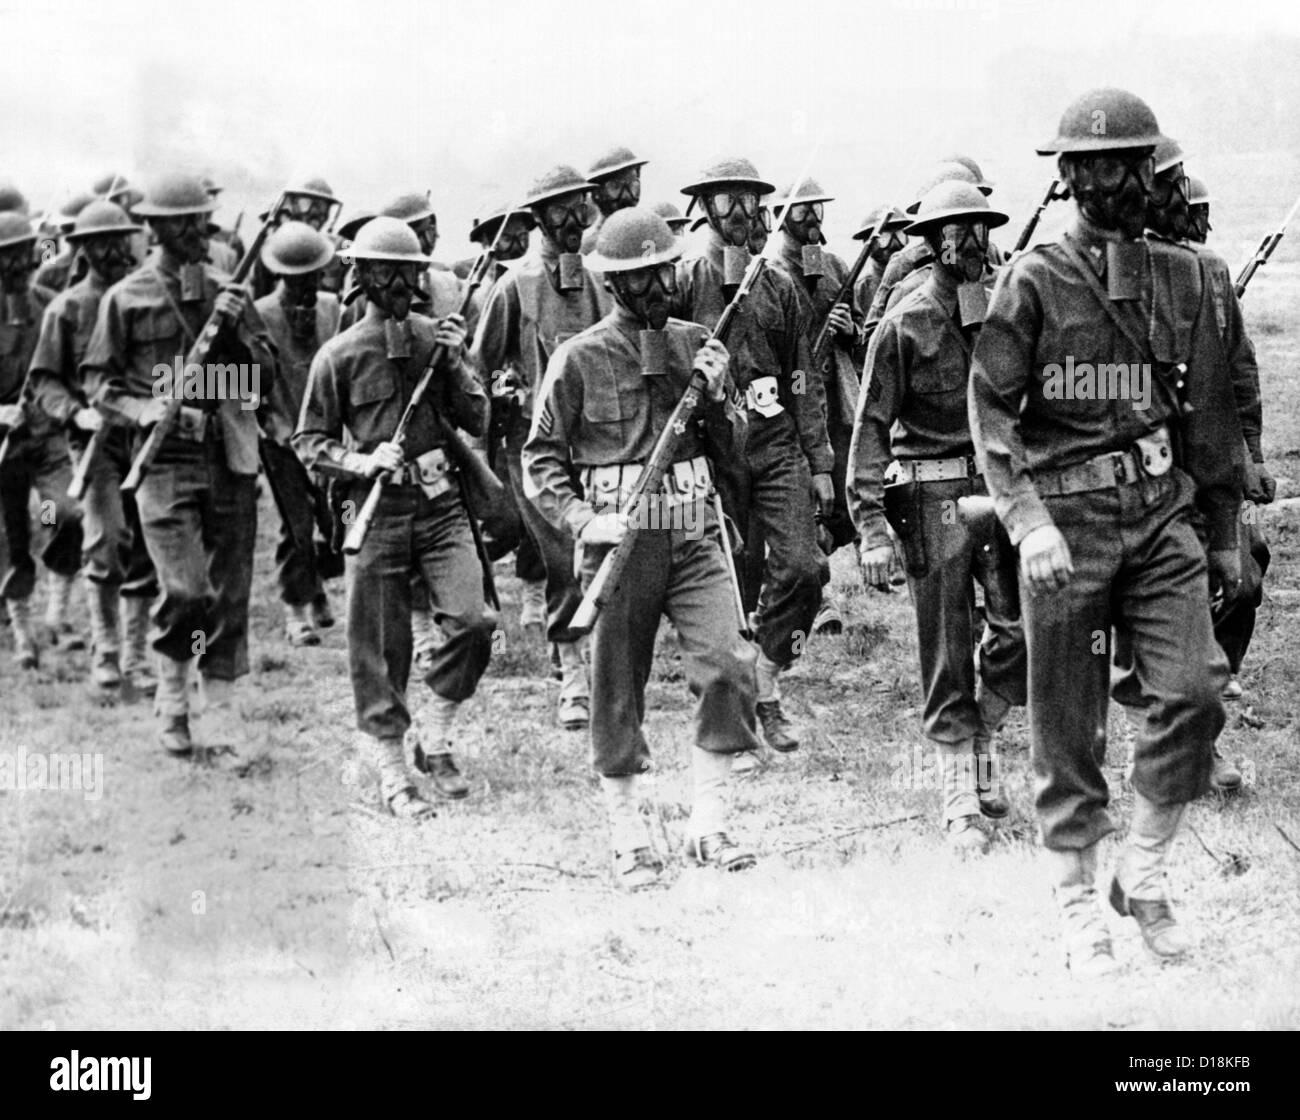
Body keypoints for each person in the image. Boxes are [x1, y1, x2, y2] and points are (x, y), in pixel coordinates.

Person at [969, 89, 1245, 976]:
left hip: (1162, 515)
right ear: (1070, 175)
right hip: (1068, 527)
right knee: (1067, 727)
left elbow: (1209, 424)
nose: (1118, 180)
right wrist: (1026, 520)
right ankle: (1078, 907)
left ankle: (1146, 870)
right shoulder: (1034, 280)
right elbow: (992, 414)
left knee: (1196, 688)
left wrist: (1228, 529)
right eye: (1098, 165)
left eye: (1131, 163)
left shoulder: (1188, 276)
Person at [523, 207, 762, 885]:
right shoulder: (578, 358)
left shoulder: (697, 344)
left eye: (663, 270)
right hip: (619, 548)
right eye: (639, 276)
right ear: (614, 284)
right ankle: (629, 836)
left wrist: (719, 398)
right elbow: (539, 460)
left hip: (691, 533)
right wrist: (581, 519)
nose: (656, 285)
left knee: (727, 665)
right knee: (617, 690)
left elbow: (734, 451)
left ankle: (709, 826)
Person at [295, 217, 495, 816]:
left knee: (473, 621)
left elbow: (479, 419)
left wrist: (457, 363)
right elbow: (309, 442)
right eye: (381, 271)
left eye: (405, 272)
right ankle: (391, 772)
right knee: (381, 647)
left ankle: (434, 736)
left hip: (440, 505)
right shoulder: (338, 356)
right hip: (376, 510)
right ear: (360, 276)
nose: (394, 283)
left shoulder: (439, 340)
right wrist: (359, 460)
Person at [850, 182, 1024, 853]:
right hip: (934, 500)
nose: (966, 241)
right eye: (951, 229)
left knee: (1021, 633)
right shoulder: (903, 324)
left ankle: (982, 731)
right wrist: (869, 528)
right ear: (930, 239)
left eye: (976, 226)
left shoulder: (1008, 310)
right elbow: (869, 429)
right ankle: (959, 793)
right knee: (948, 649)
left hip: (1002, 496)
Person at [80, 171, 278, 755]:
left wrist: (239, 328)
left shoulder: (228, 290)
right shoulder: (127, 297)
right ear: (160, 228)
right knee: (187, 588)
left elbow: (260, 384)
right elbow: (98, 383)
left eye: (202, 218)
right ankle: (171, 692)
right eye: (186, 221)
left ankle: (217, 708)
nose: (199, 229)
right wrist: (145, 409)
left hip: (229, 456)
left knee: (229, 590)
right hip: (162, 462)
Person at [674, 157, 831, 756]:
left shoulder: (779, 285)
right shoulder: (686, 277)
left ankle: (768, 673)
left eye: (749, 199)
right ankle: (744, 706)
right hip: (715, 453)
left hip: (775, 444)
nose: (740, 212)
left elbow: (803, 378)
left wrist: (818, 462)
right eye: (726, 200)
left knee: (805, 569)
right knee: (736, 578)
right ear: (706, 208)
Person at [471, 163, 612, 729]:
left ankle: (593, 660)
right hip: (532, 448)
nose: (575, 218)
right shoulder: (513, 287)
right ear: (538, 219)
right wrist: (502, 389)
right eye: (562, 209)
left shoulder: (600, 282)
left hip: (593, 443)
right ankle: (574, 678)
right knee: (561, 555)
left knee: (597, 553)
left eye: (581, 206)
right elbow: (477, 370)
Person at [27, 200, 157, 691]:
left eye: (119, 239)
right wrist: (74, 411)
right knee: (105, 541)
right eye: (99, 242)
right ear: (81, 248)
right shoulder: (67, 309)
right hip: (95, 445)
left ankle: (136, 656)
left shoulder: (148, 296)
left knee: (145, 544)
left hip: (147, 440)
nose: (112, 250)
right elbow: (45, 383)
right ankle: (105, 652)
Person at [771, 176, 862, 635]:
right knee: (804, 494)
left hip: (837, 402)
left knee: (840, 496)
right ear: (781, 216)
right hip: (794, 401)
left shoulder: (834, 265)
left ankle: (818, 561)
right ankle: (819, 593)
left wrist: (849, 329)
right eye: (801, 209)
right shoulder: (771, 273)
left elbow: (862, 334)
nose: (810, 218)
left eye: (816, 209)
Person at [254, 221, 343, 647]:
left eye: (314, 275)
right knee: (297, 524)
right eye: (297, 278)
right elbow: (247, 380)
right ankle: (296, 613)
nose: (307, 285)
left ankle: (318, 585)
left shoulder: (333, 308)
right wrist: (266, 421)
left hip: (326, 437)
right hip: (280, 438)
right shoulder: (260, 314)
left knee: (335, 521)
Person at [0, 211, 83, 668]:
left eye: (20, 253)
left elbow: (69, 372)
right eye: (6, 256)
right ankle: (23, 632)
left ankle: (57, 613)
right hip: (5, 447)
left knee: (64, 513)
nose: (16, 264)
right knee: (12, 536)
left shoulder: (51, 306)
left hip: (48, 439)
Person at [581, 145, 647, 251]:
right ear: (597, 194)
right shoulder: (588, 247)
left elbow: (652, 264)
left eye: (632, 184)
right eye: (615, 186)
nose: (626, 195)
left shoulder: (649, 237)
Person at [851, 205, 908, 316]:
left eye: (900, 234)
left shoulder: (921, 276)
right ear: (868, 243)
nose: (895, 244)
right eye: (884, 237)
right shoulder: (861, 289)